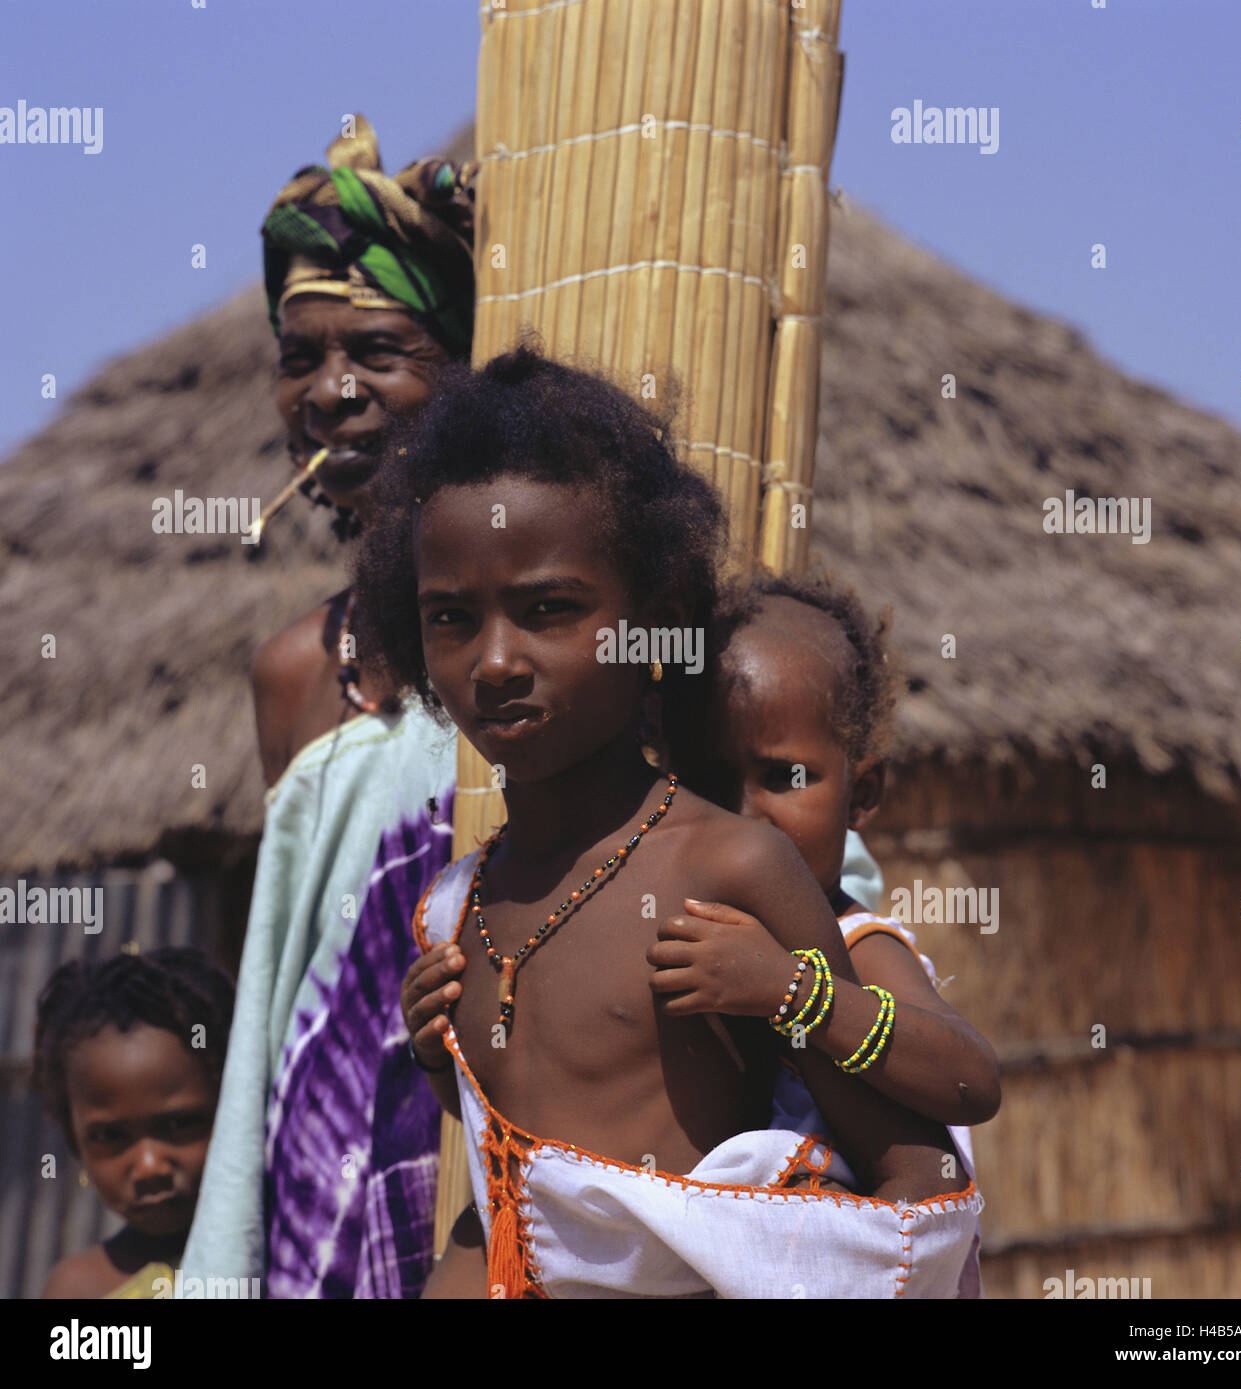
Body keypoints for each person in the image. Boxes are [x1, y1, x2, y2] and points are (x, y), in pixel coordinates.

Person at [357, 347, 983, 1298]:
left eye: (548, 609)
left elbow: (921, 1179)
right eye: (450, 618)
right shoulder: (454, 909)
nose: (493, 661)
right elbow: (508, 1195)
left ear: (657, 617)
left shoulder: (734, 867)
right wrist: (434, 1053)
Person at [179, 116, 472, 1299]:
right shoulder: (299, 672)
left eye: (380, 351)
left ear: (460, 367)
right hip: (329, 1228)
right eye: (300, 357)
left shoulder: (553, 661)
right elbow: (287, 997)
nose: (331, 392)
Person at [678, 571, 1001, 1296]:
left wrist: (792, 992)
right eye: (709, 776)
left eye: (784, 775)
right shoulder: (683, 934)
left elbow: (971, 1078)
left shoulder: (858, 942)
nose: (744, 815)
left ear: (863, 793)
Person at [36, 949, 234, 1299]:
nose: (149, 1167)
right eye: (110, 1136)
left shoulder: (299, 1254)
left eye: (180, 1124)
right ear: (73, 1139)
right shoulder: (79, 1289)